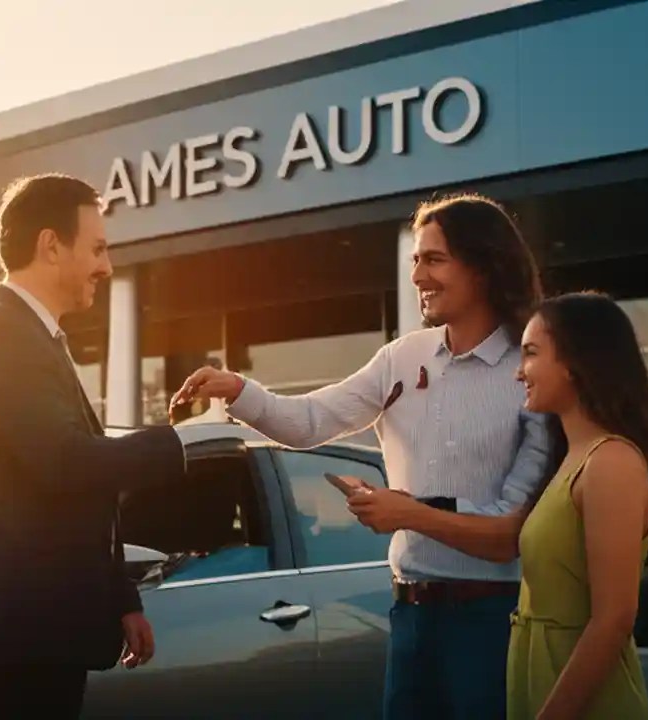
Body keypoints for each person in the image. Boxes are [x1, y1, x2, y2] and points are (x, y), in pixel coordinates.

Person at [171, 193, 551, 719]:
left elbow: (510, 534)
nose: (417, 275)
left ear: (485, 266)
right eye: (416, 259)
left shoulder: (530, 372)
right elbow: (307, 423)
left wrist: (406, 513)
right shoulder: (402, 357)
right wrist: (237, 389)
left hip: (492, 621)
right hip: (411, 615)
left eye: (434, 259)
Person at [0, 173, 187, 718]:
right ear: (51, 246)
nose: (107, 266)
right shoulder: (4, 335)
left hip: (29, 635)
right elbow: (68, 464)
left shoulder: (25, 333)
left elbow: (62, 496)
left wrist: (121, 599)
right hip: (13, 643)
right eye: (96, 248)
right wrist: (181, 441)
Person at [504, 292, 648, 718]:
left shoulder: (611, 462)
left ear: (575, 363)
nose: (518, 373)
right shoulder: (572, 459)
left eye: (531, 353)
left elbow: (614, 619)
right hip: (541, 675)